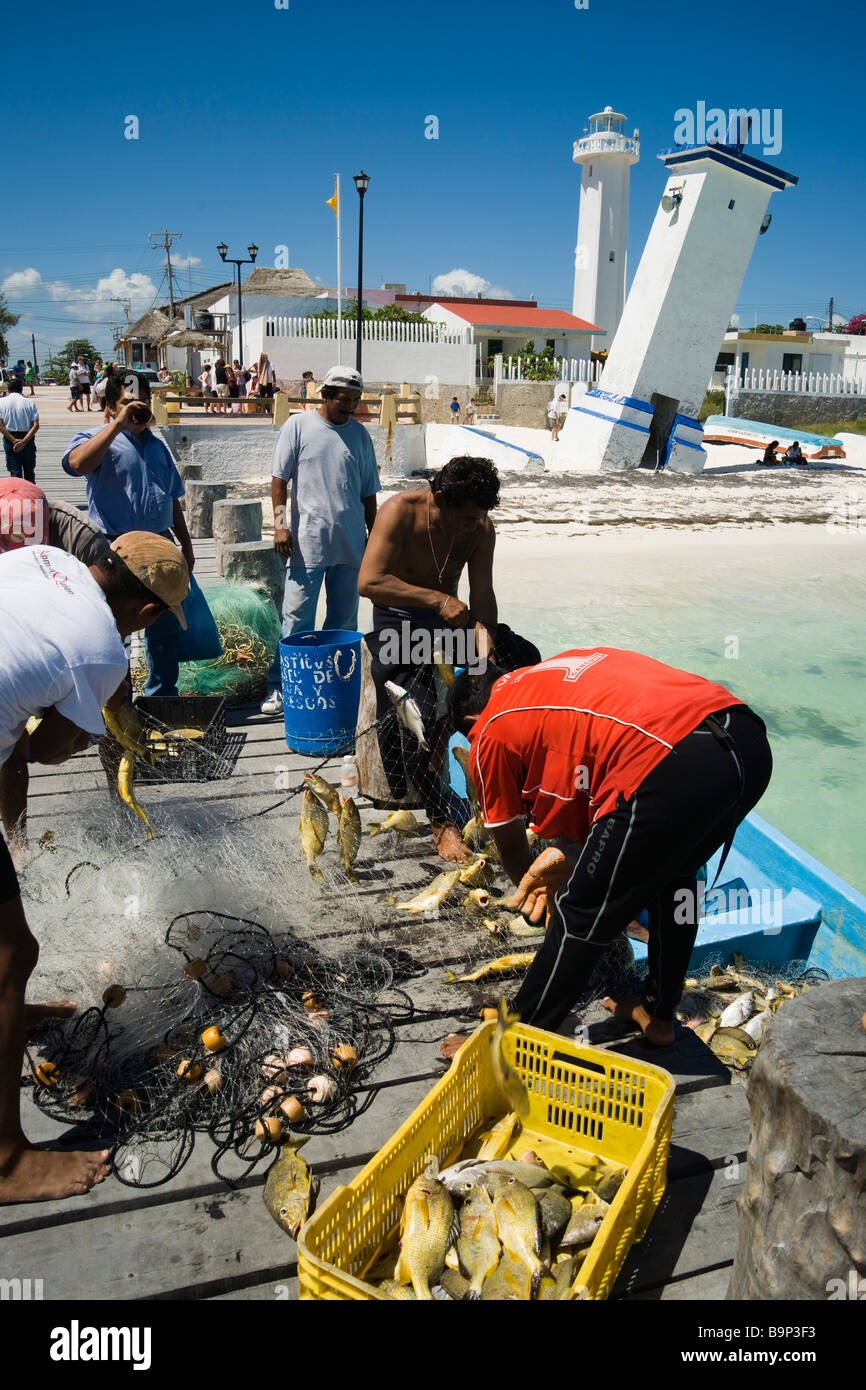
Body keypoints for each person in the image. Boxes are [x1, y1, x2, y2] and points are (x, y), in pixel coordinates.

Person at [440, 648, 772, 1056]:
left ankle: (509, 1042)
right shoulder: (553, 672)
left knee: (579, 910)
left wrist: (544, 894)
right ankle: (659, 1016)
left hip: (674, 760)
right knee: (676, 879)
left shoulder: (489, 728)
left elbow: (509, 842)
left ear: (471, 722)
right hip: (746, 740)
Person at [0, 532, 189, 1205]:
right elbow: (49, 750)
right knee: (10, 952)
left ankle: (12, 1016)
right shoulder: (102, 649)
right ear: (144, 615)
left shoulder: (39, 560)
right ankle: (5, 1162)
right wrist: (81, 718)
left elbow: (11, 742)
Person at [358, 456, 501, 863]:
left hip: (453, 620)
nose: (474, 526)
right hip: (399, 620)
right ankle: (441, 821)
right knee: (417, 708)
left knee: (514, 669)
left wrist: (484, 647)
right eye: (467, 518)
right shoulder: (399, 512)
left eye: (480, 518)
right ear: (439, 499)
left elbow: (483, 595)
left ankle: (493, 794)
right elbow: (368, 582)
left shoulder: (481, 528)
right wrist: (435, 599)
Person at [61, 367, 195, 697]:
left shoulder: (158, 447)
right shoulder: (95, 438)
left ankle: (162, 696)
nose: (138, 410)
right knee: (111, 629)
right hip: (115, 550)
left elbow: (172, 499)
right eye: (127, 404)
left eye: (143, 402)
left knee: (162, 627)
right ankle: (115, 701)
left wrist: (187, 547)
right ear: (110, 406)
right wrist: (117, 425)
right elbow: (77, 465)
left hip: (161, 547)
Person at [261, 365, 379, 716]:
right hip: (306, 545)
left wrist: (376, 540)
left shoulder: (360, 435)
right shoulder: (298, 426)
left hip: (352, 546)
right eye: (345, 400)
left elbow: (369, 494)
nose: (350, 407)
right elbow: (279, 480)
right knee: (297, 619)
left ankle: (332, 685)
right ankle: (281, 687)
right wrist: (281, 527)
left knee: (343, 623)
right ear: (325, 395)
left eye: (356, 401)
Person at [0, 380, 39, 483]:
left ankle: (17, 496)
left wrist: (14, 441)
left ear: (8, 389)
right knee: (29, 472)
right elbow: (35, 425)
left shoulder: (1, 402)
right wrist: (24, 441)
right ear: (21, 389)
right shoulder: (29, 402)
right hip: (27, 437)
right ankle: (30, 497)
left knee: (15, 472)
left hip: (10, 438)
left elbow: (0, 425)